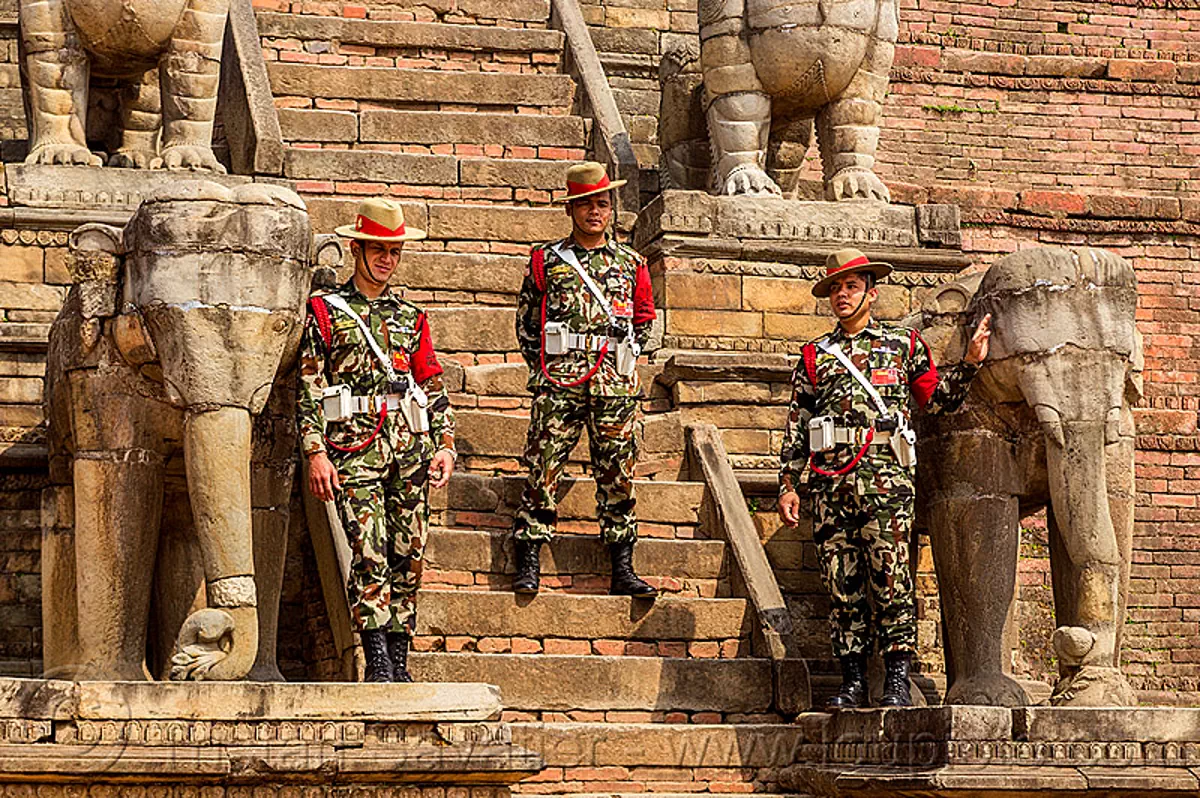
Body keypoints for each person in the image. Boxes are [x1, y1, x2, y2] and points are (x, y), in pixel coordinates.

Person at [777, 247, 992, 709]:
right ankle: (852, 681)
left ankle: (897, 678)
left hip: (886, 483)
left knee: (891, 578)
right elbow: (798, 423)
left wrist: (971, 363)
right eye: (835, 288)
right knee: (841, 583)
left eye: (851, 286)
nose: (842, 295)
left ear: (871, 293)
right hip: (832, 484)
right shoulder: (816, 356)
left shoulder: (903, 346)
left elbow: (936, 400)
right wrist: (789, 485)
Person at [297, 198, 456, 682]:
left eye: (394, 251)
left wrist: (446, 443)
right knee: (369, 550)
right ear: (357, 248)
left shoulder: (411, 316)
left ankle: (401, 660)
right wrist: (314, 450)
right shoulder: (326, 312)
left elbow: (431, 381)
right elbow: (309, 382)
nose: (387, 259)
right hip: (352, 449)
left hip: (410, 449)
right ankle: (378, 660)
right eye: (378, 249)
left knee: (408, 554)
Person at [511, 162, 658, 597]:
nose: (596, 212)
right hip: (559, 382)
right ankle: (530, 554)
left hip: (614, 386)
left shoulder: (632, 263)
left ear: (611, 208)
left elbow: (644, 319)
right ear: (571, 208)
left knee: (618, 474)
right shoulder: (546, 260)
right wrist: (544, 370)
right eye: (587, 204)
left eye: (603, 203)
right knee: (543, 468)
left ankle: (623, 567)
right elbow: (526, 324)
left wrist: (623, 359)